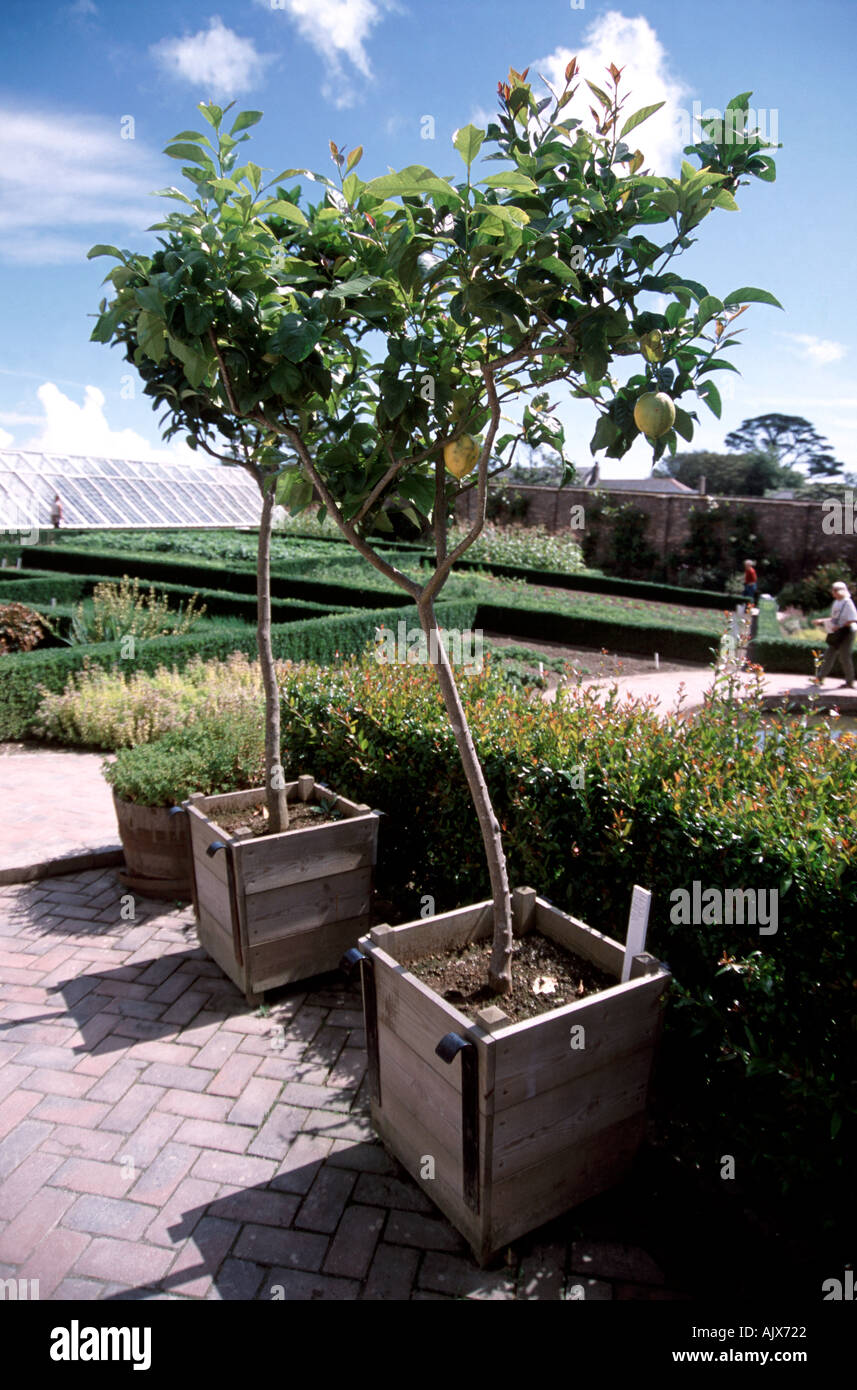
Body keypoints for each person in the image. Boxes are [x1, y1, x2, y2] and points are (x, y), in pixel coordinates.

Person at [812, 580, 857, 688]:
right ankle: (820, 678)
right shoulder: (837, 602)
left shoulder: (847, 602)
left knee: (844, 657)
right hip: (837, 633)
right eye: (833, 590)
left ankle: (850, 682)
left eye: (835, 590)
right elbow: (835, 618)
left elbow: (853, 619)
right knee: (829, 654)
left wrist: (840, 626)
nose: (833, 592)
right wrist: (822, 621)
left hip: (847, 633)